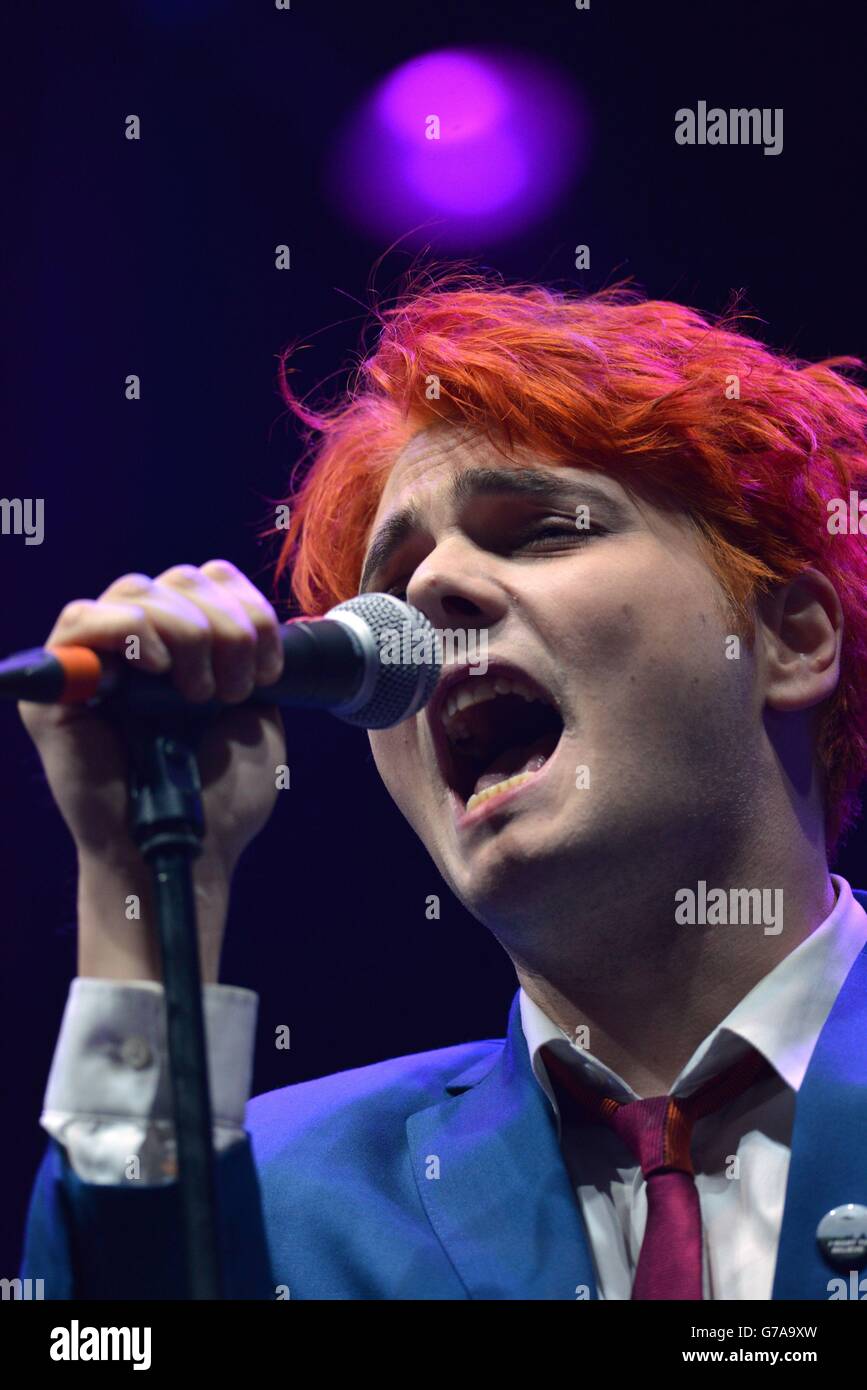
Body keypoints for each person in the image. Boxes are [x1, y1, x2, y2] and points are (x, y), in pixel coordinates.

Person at [17, 272, 867, 1299]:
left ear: (791, 638)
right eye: (394, 576)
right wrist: (144, 890)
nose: (427, 592)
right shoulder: (281, 1203)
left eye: (544, 530)